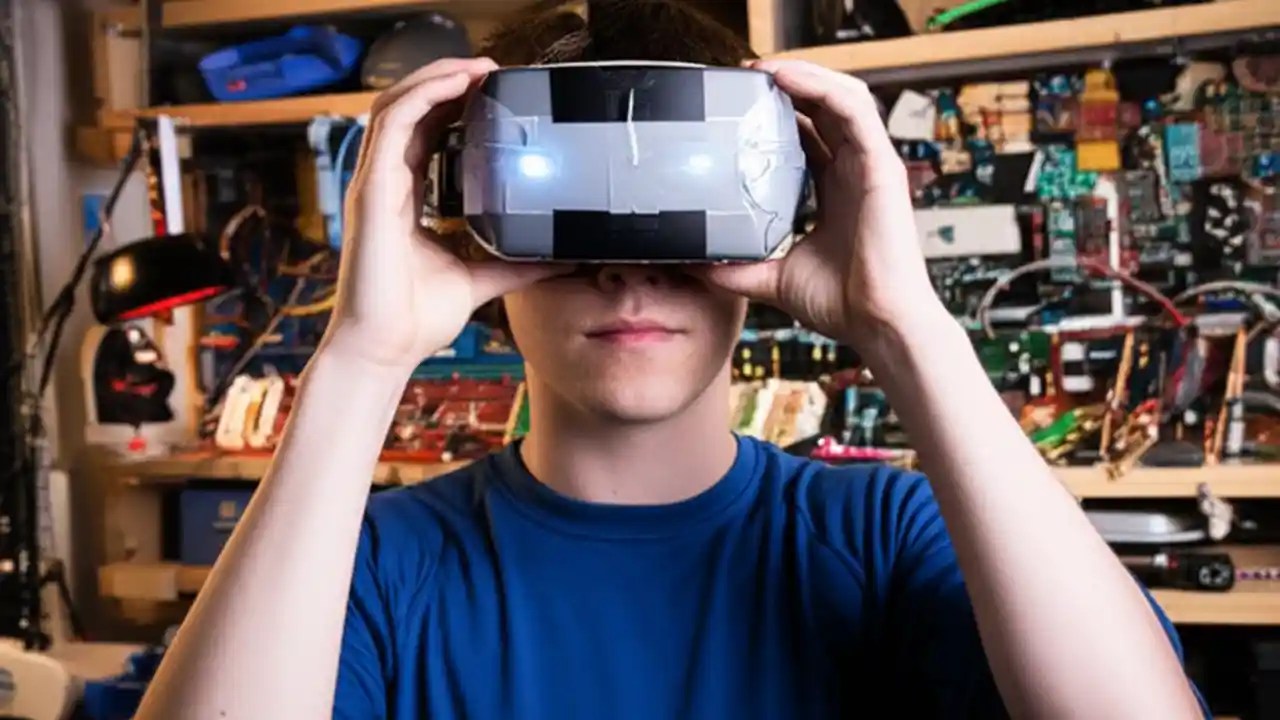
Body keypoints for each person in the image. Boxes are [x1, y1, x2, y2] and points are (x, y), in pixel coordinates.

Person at [135, 2, 1209, 718]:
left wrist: (905, 327)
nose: (625, 270)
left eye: (679, 222)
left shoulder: (885, 538)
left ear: (779, 221)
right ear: (468, 227)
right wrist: (363, 357)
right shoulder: (364, 566)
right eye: (564, 215)